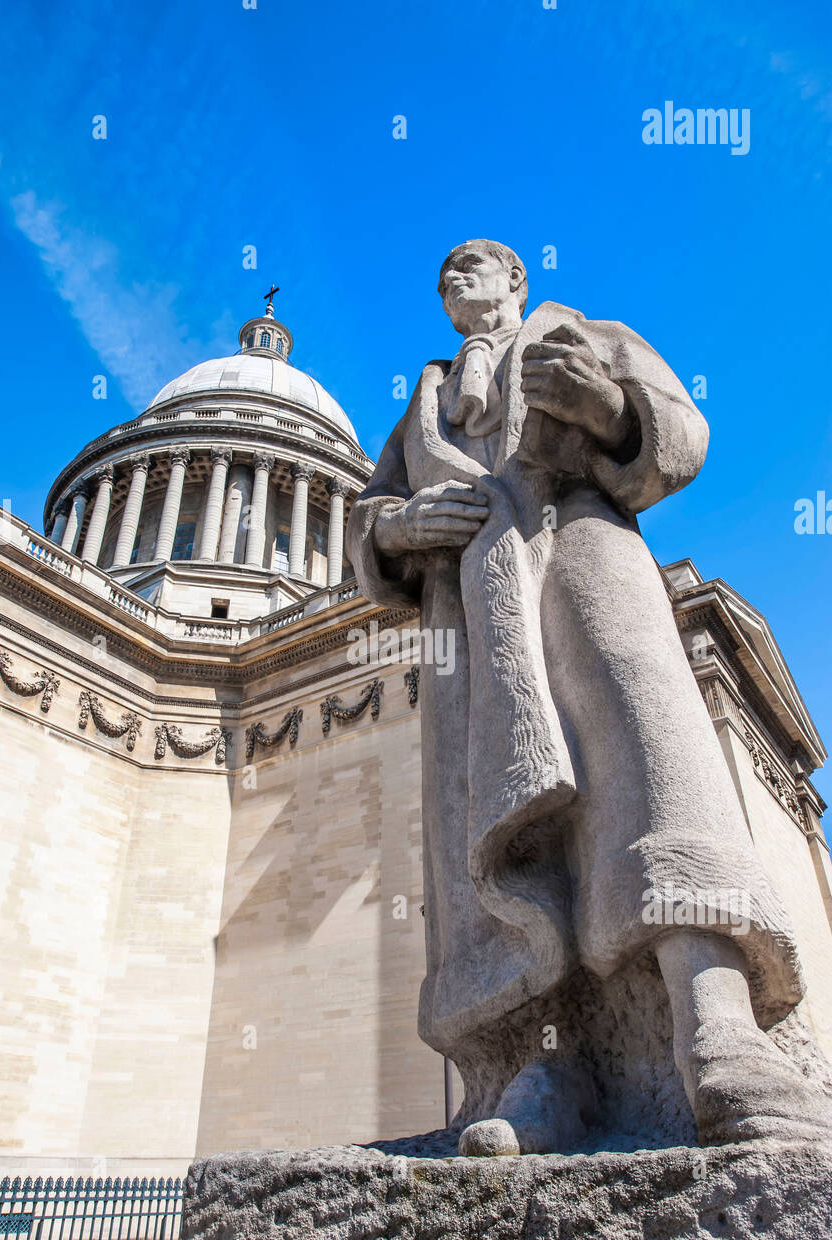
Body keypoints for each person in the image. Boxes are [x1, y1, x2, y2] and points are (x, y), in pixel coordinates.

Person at [347, 239, 830, 1153]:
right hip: (468, 621)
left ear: (516, 280)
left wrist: (606, 408)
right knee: (493, 832)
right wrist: (402, 525)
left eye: (471, 266)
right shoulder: (422, 405)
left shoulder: (585, 332)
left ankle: (715, 1022)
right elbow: (368, 516)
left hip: (580, 556)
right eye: (442, 274)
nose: (453, 281)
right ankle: (541, 1070)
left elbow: (680, 434)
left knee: (650, 758)